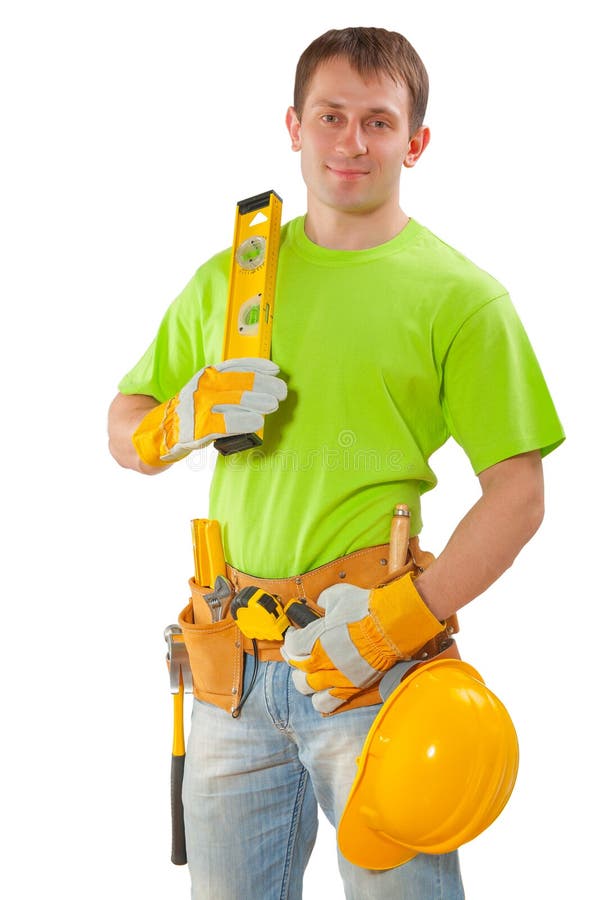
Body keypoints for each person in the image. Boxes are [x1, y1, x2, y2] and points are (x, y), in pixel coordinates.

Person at [108, 27, 564, 900]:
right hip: (230, 672)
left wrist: (396, 624)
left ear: (415, 142)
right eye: (331, 117)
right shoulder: (232, 281)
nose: (352, 143)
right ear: (294, 126)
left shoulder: (460, 297)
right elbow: (125, 428)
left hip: (371, 671)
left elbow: (520, 493)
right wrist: (179, 420)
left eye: (379, 123)